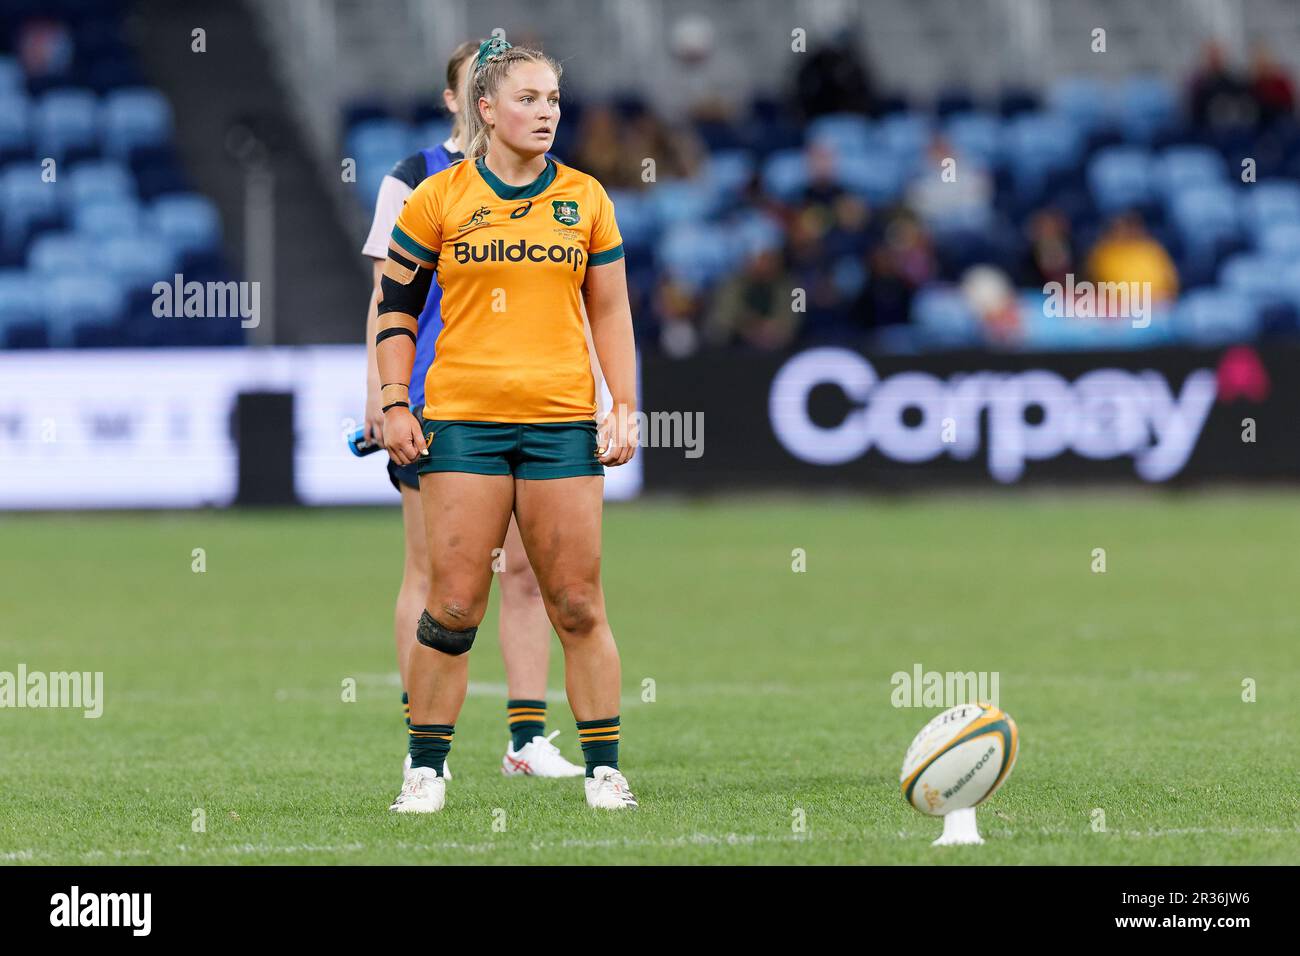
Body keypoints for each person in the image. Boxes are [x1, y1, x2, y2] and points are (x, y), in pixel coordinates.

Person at [377, 37, 640, 813]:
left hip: (560, 424)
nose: (546, 113)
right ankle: (425, 769)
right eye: (528, 100)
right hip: (462, 423)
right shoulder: (436, 198)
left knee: (578, 603)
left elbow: (612, 308)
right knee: (453, 604)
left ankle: (603, 771)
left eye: (553, 100)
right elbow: (393, 308)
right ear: (484, 110)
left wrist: (622, 405)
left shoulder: (586, 198)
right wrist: (395, 403)